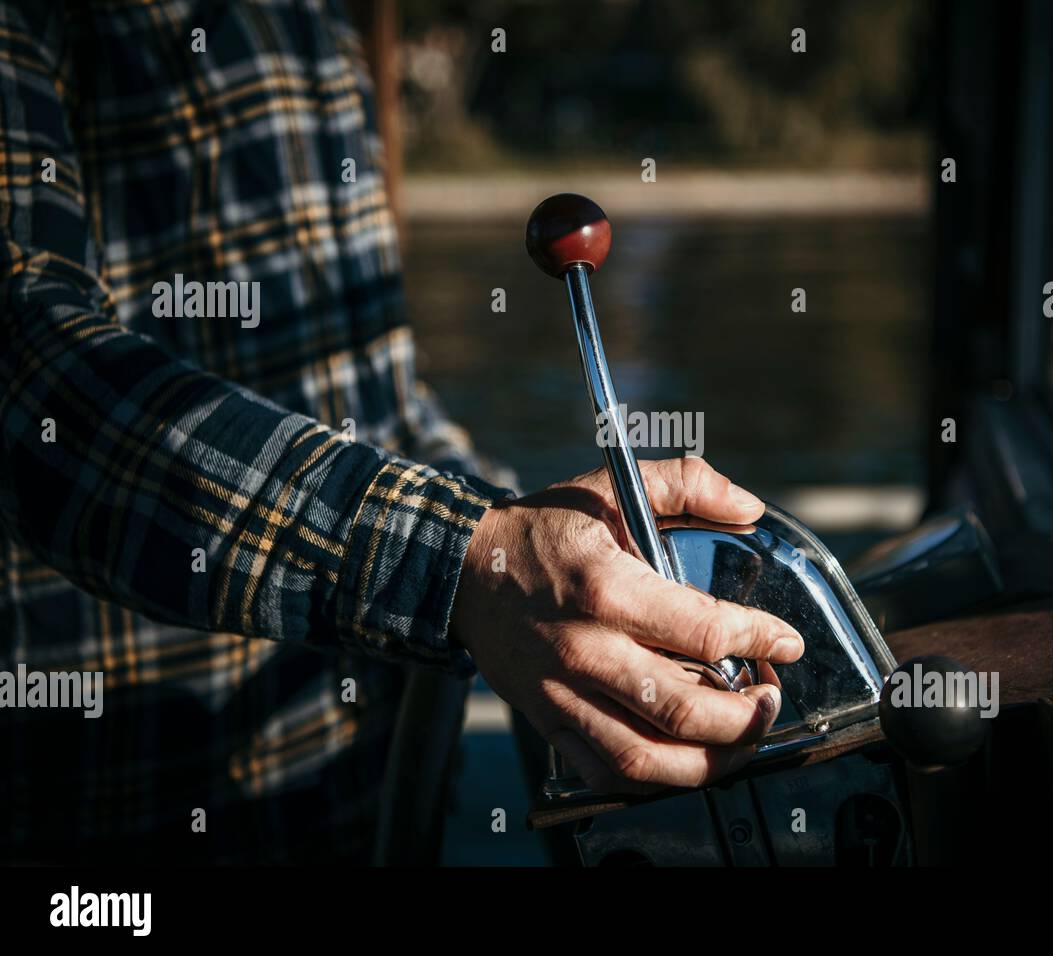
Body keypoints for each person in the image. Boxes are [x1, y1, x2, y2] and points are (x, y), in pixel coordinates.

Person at [0, 0, 800, 864]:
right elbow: (28, 368)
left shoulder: (333, 17)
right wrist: (461, 562)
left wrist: (538, 550)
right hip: (107, 801)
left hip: (371, 786)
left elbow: (380, 403)